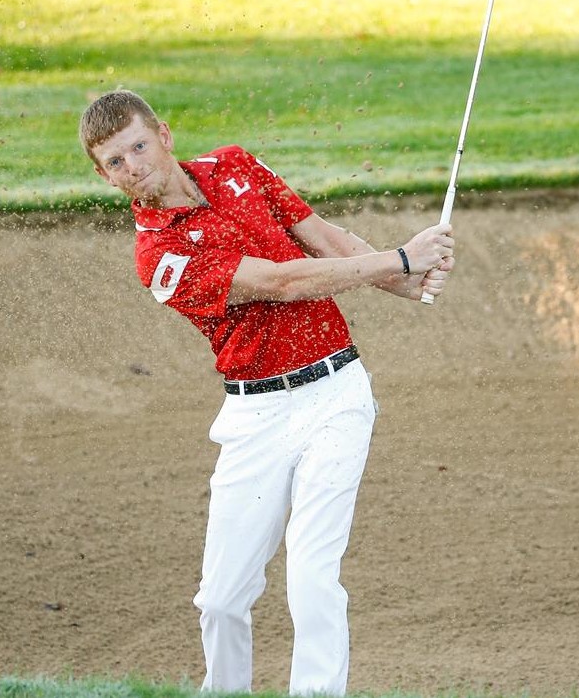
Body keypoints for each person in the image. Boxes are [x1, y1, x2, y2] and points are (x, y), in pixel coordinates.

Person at [78, 90, 454, 696]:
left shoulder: (236, 165)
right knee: (223, 599)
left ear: (164, 135)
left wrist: (408, 282)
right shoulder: (159, 255)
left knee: (312, 575)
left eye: (138, 147)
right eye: (115, 162)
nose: (133, 167)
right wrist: (402, 258)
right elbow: (280, 283)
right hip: (258, 414)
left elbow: (323, 242)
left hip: (337, 395)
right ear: (103, 173)